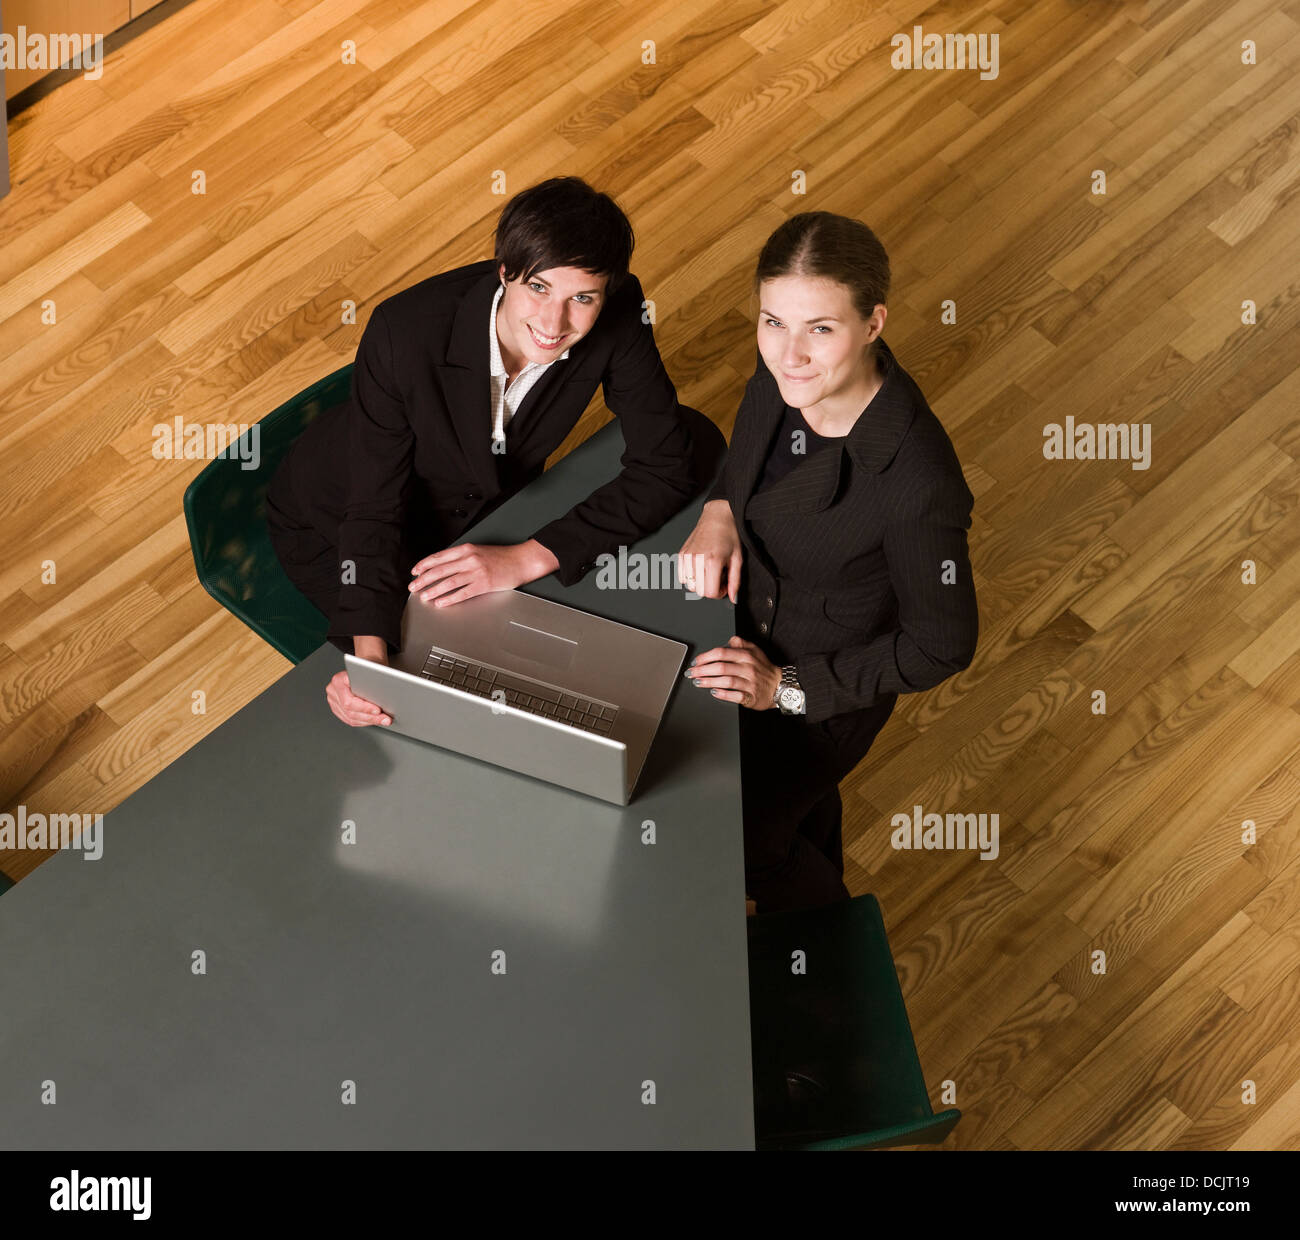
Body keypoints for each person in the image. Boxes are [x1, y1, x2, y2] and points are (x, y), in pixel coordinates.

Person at [265, 176, 725, 726]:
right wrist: (370, 665)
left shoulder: (620, 310)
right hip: (336, 522)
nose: (554, 324)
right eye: (538, 289)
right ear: (504, 270)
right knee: (438, 689)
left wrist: (526, 556)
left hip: (480, 518)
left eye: (582, 298)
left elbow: (667, 465)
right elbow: (372, 513)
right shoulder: (402, 331)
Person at [677, 211, 979, 915]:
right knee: (771, 809)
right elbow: (751, 441)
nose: (788, 354)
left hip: (813, 698)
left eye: (820, 328)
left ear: (874, 324)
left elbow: (943, 645)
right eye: (772, 321)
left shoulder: (917, 482)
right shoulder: (788, 364)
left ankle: (829, 948)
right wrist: (721, 508)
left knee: (748, 847)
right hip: (739, 632)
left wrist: (782, 685)